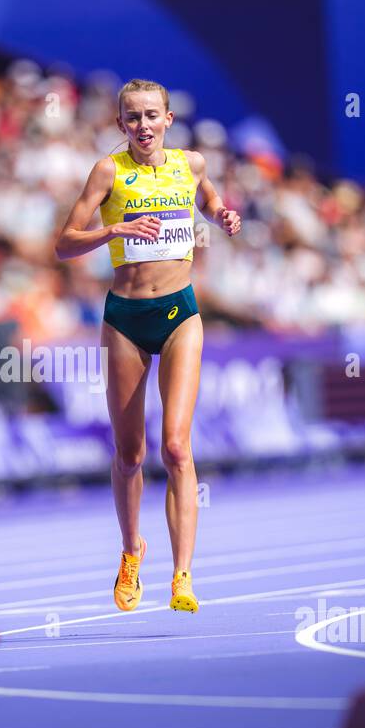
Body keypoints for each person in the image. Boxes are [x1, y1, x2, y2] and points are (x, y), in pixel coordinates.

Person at [55, 79, 240, 614]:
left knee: (177, 447)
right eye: (132, 118)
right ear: (120, 125)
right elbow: (65, 243)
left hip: (180, 311)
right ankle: (132, 550)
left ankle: (183, 574)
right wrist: (116, 232)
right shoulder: (109, 172)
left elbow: (208, 202)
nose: (142, 126)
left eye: (151, 116)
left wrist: (222, 215)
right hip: (126, 318)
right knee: (131, 454)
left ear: (168, 119)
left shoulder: (192, 164)